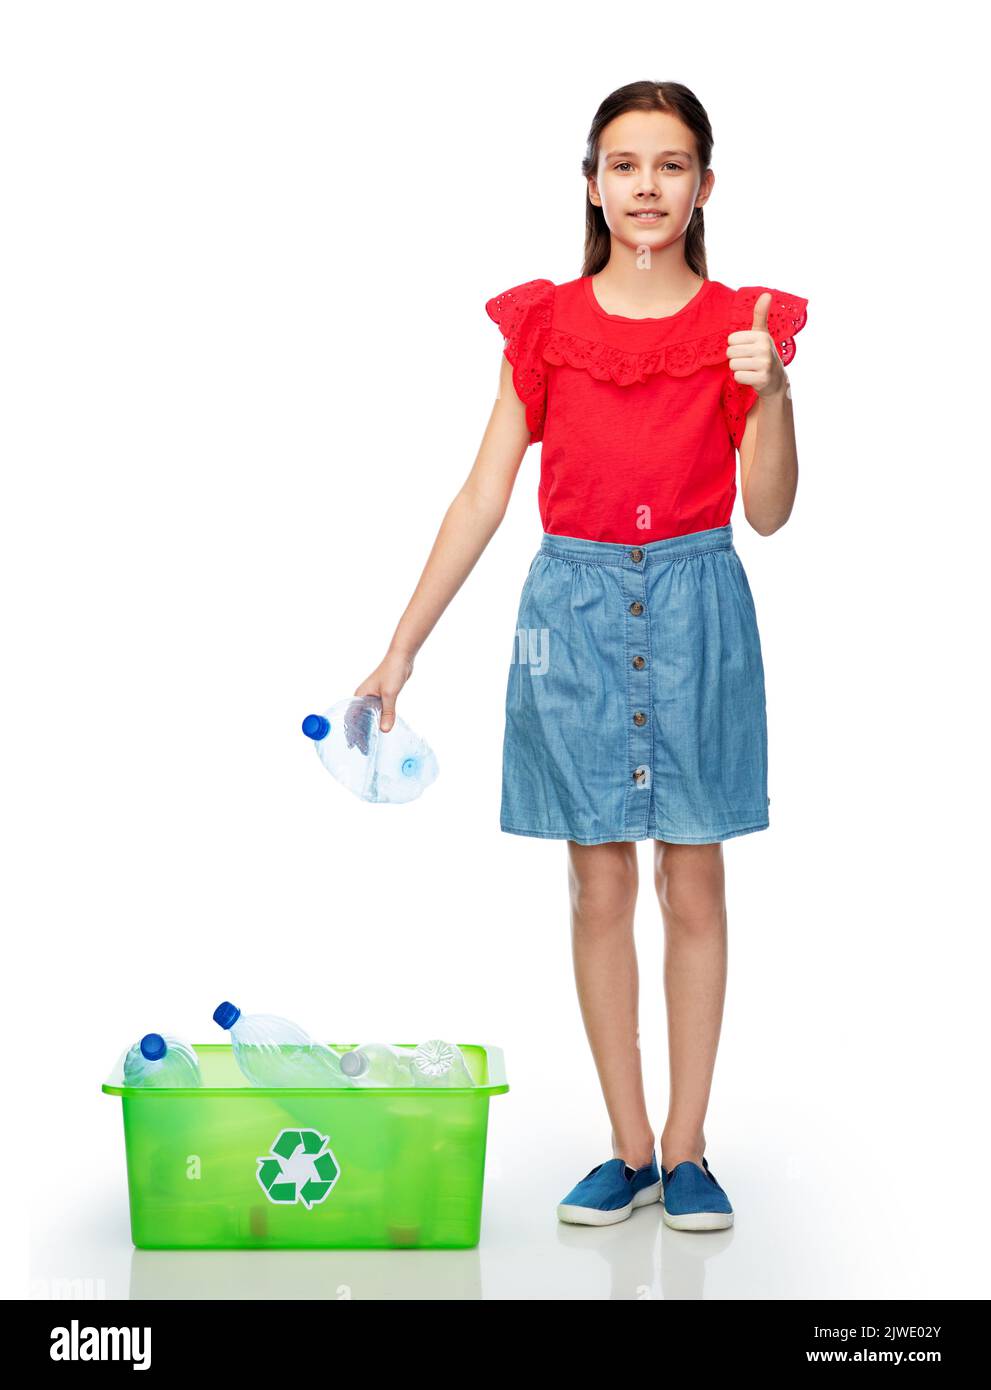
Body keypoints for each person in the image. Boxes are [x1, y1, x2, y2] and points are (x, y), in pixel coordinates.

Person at [353, 80, 808, 1232]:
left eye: (669, 164)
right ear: (591, 181)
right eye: (622, 164)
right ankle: (629, 1147)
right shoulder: (545, 325)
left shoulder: (741, 323)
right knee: (596, 878)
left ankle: (692, 1150)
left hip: (699, 602)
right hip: (575, 609)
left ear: (704, 185)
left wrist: (777, 392)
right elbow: (480, 495)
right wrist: (399, 649)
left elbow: (767, 512)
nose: (645, 186)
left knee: (692, 876)